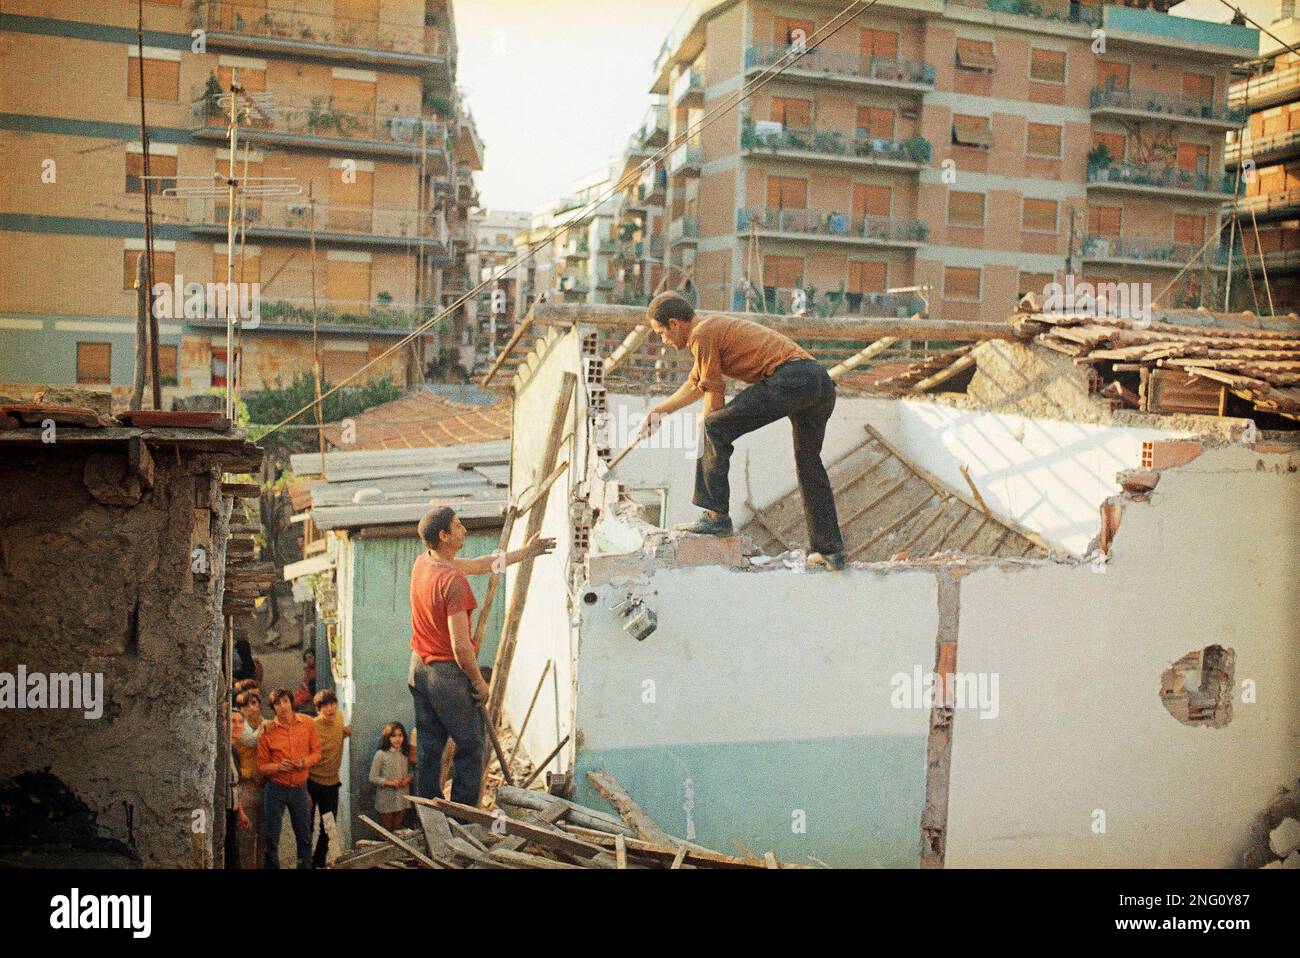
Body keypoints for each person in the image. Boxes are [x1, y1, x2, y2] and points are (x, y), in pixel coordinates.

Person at [635, 291, 846, 569]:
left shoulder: (702, 333)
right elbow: (697, 384)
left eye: (661, 333)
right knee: (809, 463)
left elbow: (713, 393)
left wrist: (706, 426)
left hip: (791, 379)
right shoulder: (710, 331)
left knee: (713, 426)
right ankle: (829, 550)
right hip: (819, 382)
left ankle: (715, 517)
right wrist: (658, 411)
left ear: (675, 324)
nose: (663, 340)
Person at [408, 506, 554, 806]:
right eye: (458, 526)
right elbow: (461, 646)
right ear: (444, 535)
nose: (464, 530)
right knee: (472, 746)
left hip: (419, 668)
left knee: (429, 748)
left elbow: (480, 564)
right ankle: (463, 818)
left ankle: (428, 813)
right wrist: (478, 681)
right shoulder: (453, 582)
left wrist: (526, 552)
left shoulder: (425, 562)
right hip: (446, 675)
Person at [256, 687, 320, 869]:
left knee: (304, 836)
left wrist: (304, 762)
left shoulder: (307, 723)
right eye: (277, 703)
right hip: (276, 788)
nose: (282, 706)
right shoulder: (267, 732)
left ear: (291, 702)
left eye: (285, 701)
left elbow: (317, 752)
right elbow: (261, 766)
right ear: (273, 708)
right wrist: (278, 766)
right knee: (271, 837)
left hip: (299, 787)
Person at [307, 688, 349, 868]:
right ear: (318, 710)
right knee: (306, 828)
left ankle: (318, 863)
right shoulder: (312, 726)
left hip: (331, 784)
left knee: (328, 828)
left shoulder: (340, 718)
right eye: (325, 706)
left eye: (333, 704)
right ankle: (305, 863)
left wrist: (347, 732)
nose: (330, 709)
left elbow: (345, 730)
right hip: (310, 782)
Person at [232, 687, 266, 869]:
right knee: (246, 838)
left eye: (254, 703)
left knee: (264, 838)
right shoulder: (237, 730)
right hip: (245, 788)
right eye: (246, 705)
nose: (251, 708)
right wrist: (250, 773)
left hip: (264, 787)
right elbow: (232, 767)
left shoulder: (265, 726)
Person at [369, 722, 412, 832]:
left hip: (402, 796)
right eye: (393, 736)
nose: (397, 739)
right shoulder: (381, 754)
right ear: (387, 737)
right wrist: (390, 783)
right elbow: (372, 777)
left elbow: (412, 772)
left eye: (400, 735)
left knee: (397, 829)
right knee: (386, 831)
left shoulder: (405, 753)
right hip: (386, 798)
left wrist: (408, 779)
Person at [226, 709, 251, 868]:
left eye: (240, 721)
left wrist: (240, 811)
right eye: (233, 721)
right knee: (229, 849)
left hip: (233, 807)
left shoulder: (233, 749)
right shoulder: (220, 748)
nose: (237, 725)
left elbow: (236, 783)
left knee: (232, 847)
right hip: (224, 807)